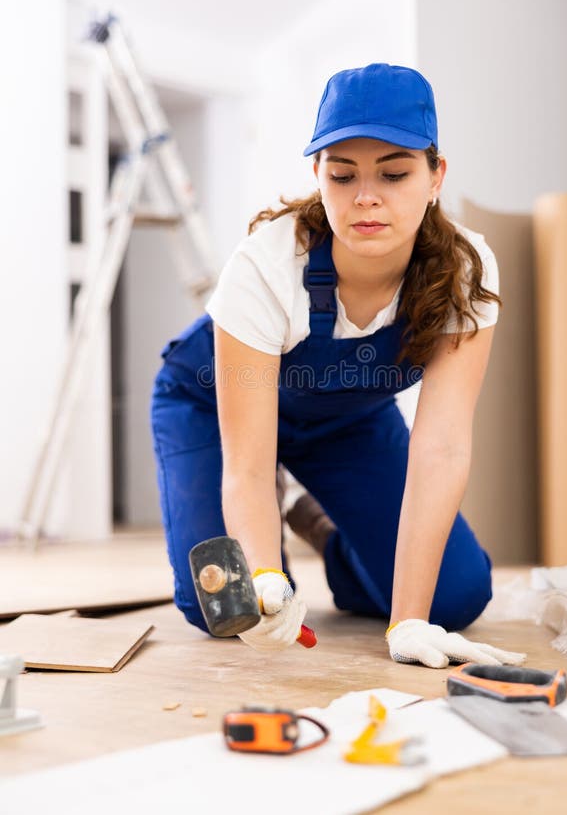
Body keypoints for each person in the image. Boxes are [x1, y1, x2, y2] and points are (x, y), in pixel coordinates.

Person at [151, 63, 525, 668]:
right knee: (226, 607)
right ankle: (268, 542)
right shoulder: (267, 265)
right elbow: (247, 463)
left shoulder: (465, 272)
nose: (366, 197)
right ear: (318, 177)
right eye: (343, 175)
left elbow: (443, 449)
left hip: (346, 422)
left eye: (395, 174)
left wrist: (408, 619)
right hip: (210, 405)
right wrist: (264, 575)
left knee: (455, 597)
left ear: (435, 177)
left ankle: (319, 527)